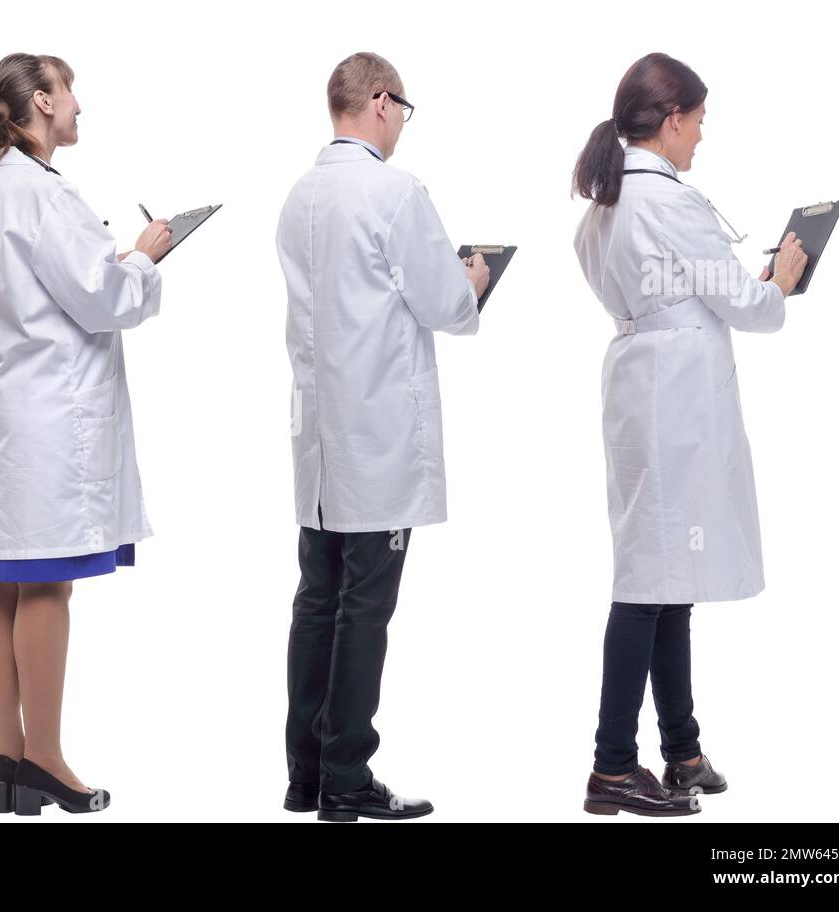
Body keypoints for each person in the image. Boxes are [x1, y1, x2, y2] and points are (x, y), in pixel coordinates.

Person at [572, 52, 807, 817]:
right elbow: (745, 305)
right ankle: (612, 765)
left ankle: (681, 749)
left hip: (644, 385)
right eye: (698, 121)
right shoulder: (668, 202)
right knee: (647, 582)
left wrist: (742, 285)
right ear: (671, 120)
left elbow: (676, 284)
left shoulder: (606, 204)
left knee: (668, 578)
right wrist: (782, 281)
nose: (702, 137)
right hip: (670, 398)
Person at [276, 52, 490, 823]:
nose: (401, 119)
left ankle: (305, 773)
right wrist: (473, 283)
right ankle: (347, 778)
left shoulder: (299, 196)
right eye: (400, 105)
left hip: (322, 440)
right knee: (364, 609)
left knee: (316, 600)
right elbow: (442, 304)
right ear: (376, 100)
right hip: (378, 436)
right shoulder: (395, 192)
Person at [0, 53, 171, 816]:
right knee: (45, 580)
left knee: (4, 581)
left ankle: (8, 760)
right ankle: (45, 759)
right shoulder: (42, 194)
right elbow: (101, 298)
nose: (80, 104)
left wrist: (115, 267)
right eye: (70, 91)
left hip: (9, 420)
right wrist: (144, 260)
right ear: (42, 102)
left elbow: (58, 291)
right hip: (50, 422)